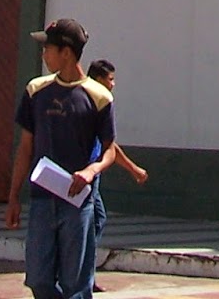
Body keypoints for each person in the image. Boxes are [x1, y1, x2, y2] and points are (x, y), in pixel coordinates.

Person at [5, 19, 115, 299]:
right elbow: (25, 147)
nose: (43, 55)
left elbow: (110, 149)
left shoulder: (98, 96)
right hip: (42, 201)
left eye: (48, 48)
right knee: (39, 281)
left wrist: (92, 171)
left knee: (76, 287)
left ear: (66, 52)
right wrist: (14, 196)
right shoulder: (36, 91)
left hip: (78, 205)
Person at [83, 59, 148, 294]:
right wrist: (133, 169)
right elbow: (110, 145)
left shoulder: (92, 99)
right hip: (87, 174)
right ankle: (79, 277)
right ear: (99, 79)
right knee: (88, 223)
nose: (113, 85)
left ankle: (83, 276)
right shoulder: (94, 102)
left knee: (95, 220)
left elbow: (108, 145)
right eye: (110, 79)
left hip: (92, 173)